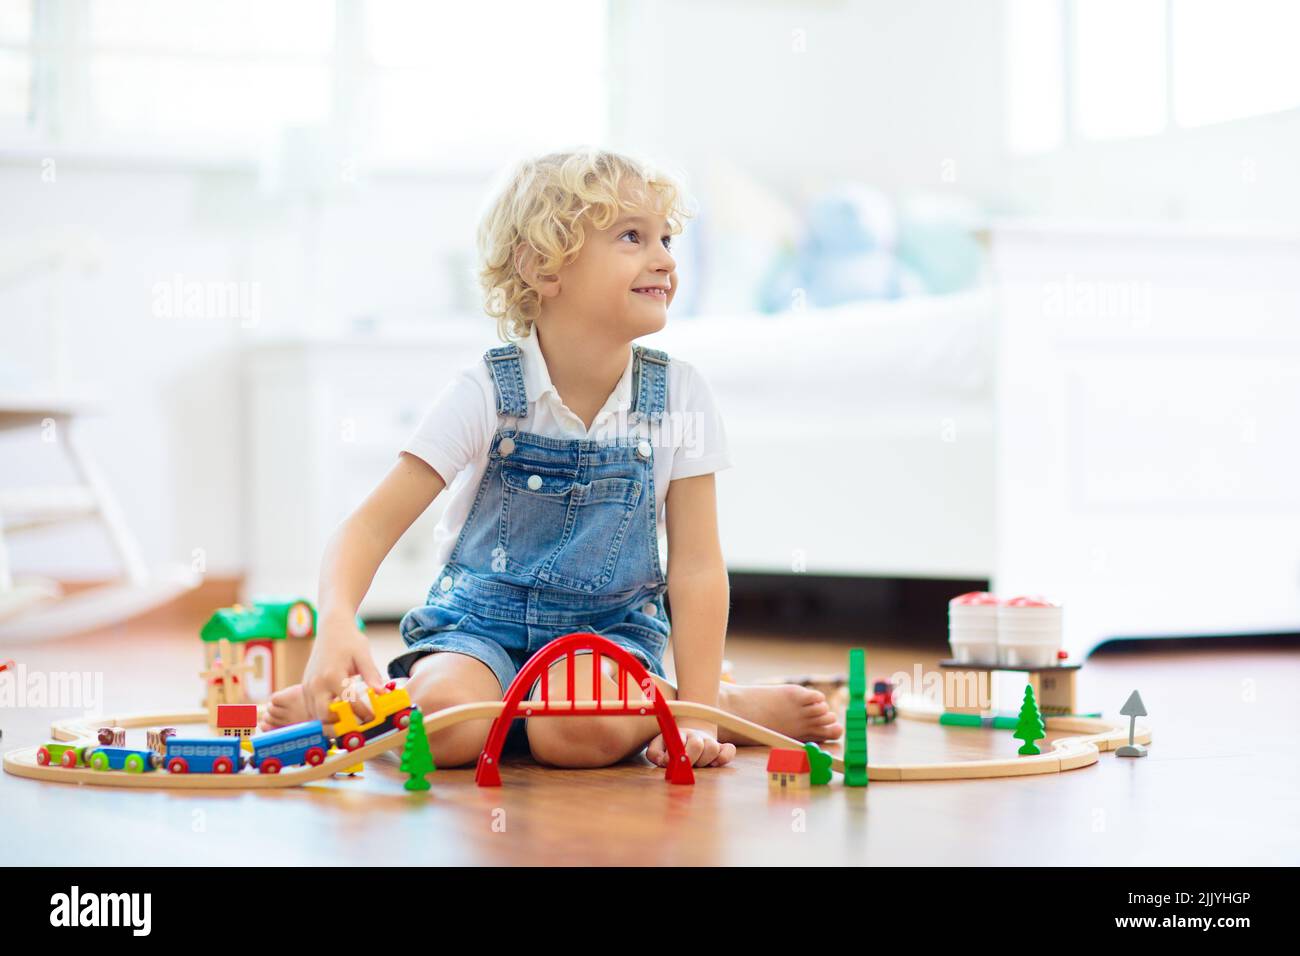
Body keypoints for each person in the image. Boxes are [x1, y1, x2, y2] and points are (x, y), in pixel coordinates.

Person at [263, 147, 842, 771]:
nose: (667, 259)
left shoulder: (681, 395)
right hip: (476, 630)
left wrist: (700, 719)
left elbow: (698, 567)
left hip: (605, 641)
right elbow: (369, 526)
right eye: (632, 236)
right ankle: (365, 704)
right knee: (443, 734)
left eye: (667, 238)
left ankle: (708, 704)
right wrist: (337, 623)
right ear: (543, 266)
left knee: (574, 736)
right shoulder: (485, 391)